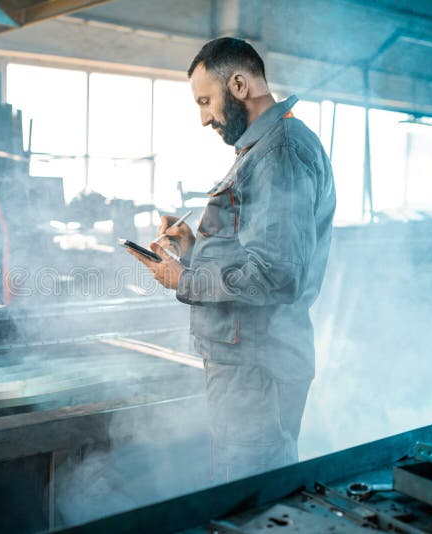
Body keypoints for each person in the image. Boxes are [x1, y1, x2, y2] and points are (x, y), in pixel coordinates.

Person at [127, 37, 336, 481]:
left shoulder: (278, 154)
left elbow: (276, 276)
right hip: (251, 362)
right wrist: (191, 248)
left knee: (248, 496)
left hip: (258, 365)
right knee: (245, 486)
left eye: (206, 101)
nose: (203, 117)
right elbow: (253, 252)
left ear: (238, 84)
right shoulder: (263, 151)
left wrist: (183, 280)